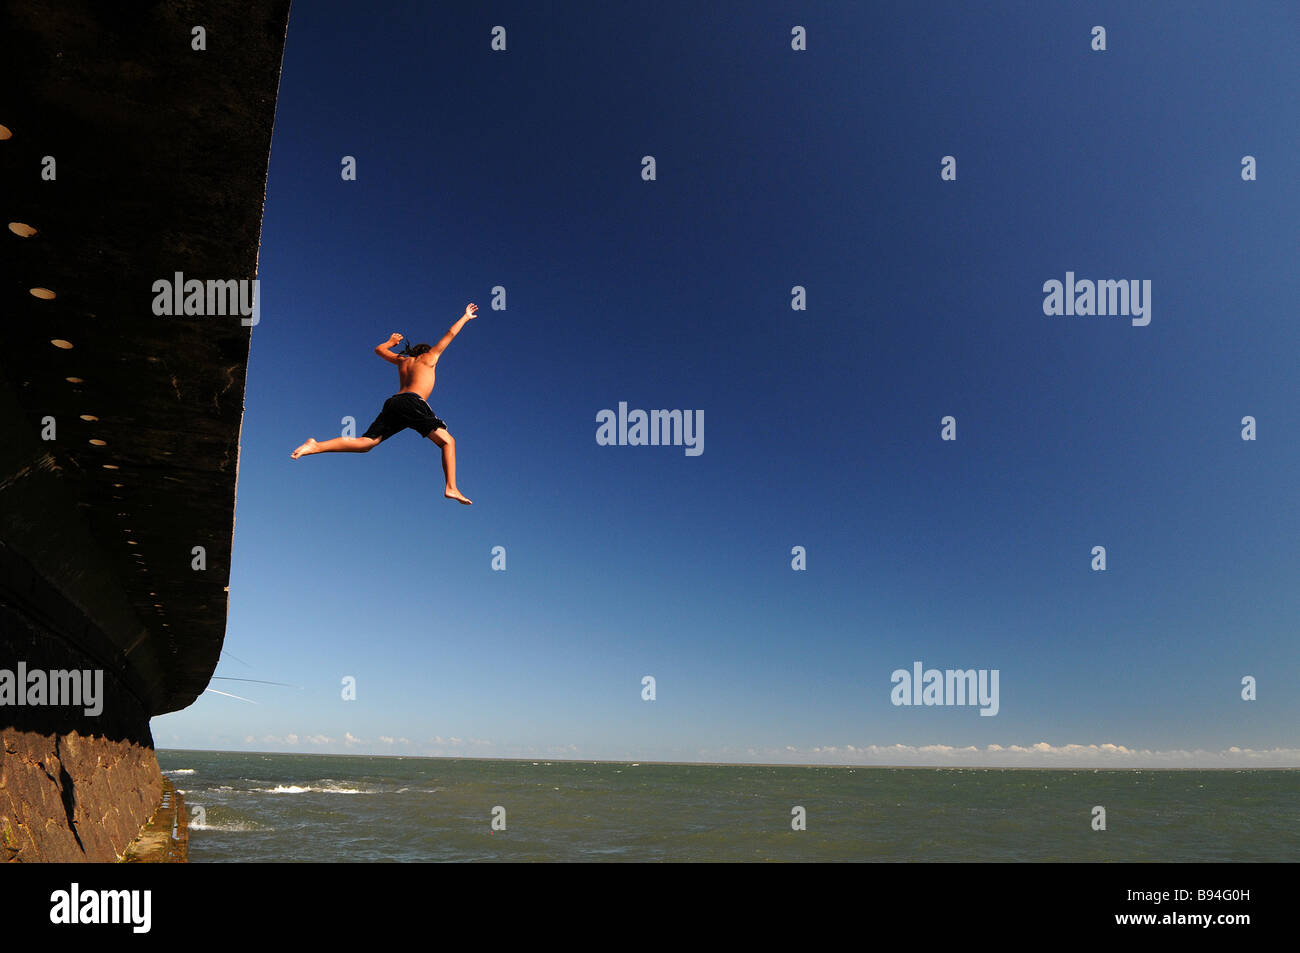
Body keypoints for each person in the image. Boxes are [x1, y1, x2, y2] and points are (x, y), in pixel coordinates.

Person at [291, 303, 478, 504]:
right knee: (448, 441)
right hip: (413, 402)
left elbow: (379, 350)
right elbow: (450, 334)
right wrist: (466, 316)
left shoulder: (403, 361)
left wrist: (390, 342)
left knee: (367, 443)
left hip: (394, 403)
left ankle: (316, 446)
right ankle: (451, 487)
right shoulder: (430, 357)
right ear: (427, 352)